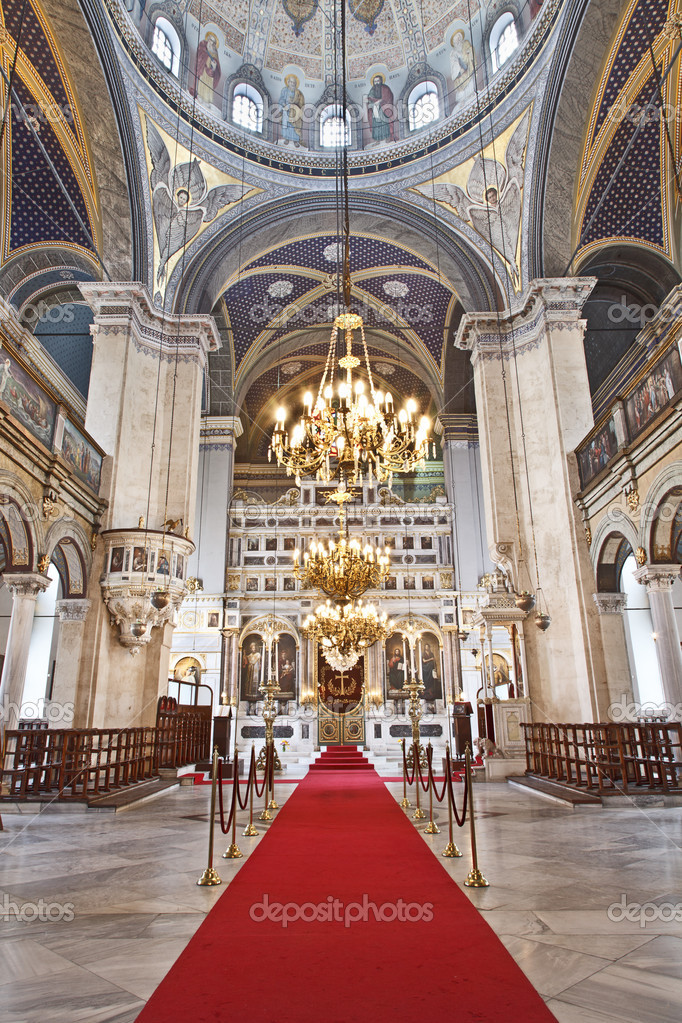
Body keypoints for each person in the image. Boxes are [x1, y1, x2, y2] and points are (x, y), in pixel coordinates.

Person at [193, 32, 221, 108]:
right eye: (210, 40)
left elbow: (217, 63)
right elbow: (200, 54)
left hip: (211, 71)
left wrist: (214, 66)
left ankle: (207, 101)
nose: (211, 43)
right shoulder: (203, 45)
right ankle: (200, 97)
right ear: (208, 39)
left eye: (213, 42)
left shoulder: (215, 51)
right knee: (203, 82)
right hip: (204, 68)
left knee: (209, 85)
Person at [367, 74, 396, 144]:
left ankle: (387, 138)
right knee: (376, 124)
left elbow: (389, 97)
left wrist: (381, 101)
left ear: (381, 81)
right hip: (375, 109)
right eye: (375, 81)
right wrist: (372, 103)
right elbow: (369, 99)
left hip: (384, 109)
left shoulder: (385, 88)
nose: (376, 83)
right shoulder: (372, 90)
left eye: (378, 81)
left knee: (385, 123)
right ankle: (377, 140)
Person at [279, 75, 304, 146]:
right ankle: (287, 138)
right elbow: (281, 99)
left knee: (295, 125)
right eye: (291, 82)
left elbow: (301, 103)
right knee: (287, 124)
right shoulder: (284, 90)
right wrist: (285, 105)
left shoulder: (299, 93)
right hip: (286, 110)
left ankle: (295, 140)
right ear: (288, 82)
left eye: (294, 82)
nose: (293, 84)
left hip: (295, 111)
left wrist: (294, 104)